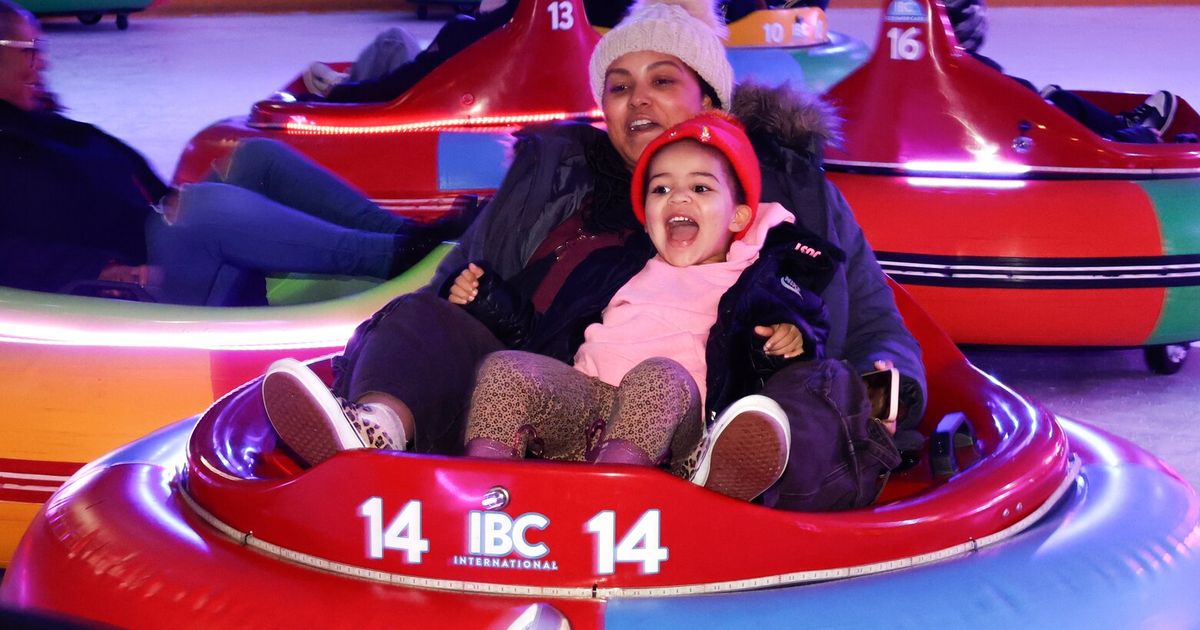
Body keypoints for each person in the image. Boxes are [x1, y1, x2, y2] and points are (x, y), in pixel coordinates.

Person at [262, 0, 924, 512]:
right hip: (553, 404)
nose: (637, 98)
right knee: (415, 321)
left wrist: (884, 382)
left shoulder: (787, 192)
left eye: (662, 79)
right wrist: (471, 303)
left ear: (712, 100)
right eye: (618, 86)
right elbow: (459, 304)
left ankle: (727, 498)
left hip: (720, 412)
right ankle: (378, 437)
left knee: (815, 392)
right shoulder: (558, 172)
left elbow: (872, 325)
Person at [449, 113, 855, 501]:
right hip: (583, 409)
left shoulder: (758, 279)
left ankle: (614, 502)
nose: (678, 196)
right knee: (505, 368)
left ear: (739, 217)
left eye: (700, 188)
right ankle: (488, 500)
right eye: (661, 189)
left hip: (677, 432)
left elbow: (799, 351)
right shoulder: (615, 269)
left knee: (656, 376)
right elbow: (547, 334)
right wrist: (490, 301)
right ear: (646, 219)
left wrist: (790, 340)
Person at [0, 0, 460, 305]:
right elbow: (11, 256)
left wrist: (168, 197)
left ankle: (406, 234)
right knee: (199, 210)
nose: (43, 62)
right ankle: (393, 258)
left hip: (150, 236)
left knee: (255, 157)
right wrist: (109, 269)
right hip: (123, 286)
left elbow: (119, 175)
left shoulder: (42, 122)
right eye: (30, 50)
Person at [946, 0, 1177, 143]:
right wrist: (1131, 141)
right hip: (1011, 141)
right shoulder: (971, 76)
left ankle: (1118, 128)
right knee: (1040, 103)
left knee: (1056, 100)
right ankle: (1119, 138)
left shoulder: (965, 72)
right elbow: (1035, 143)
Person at [302, 0, 519, 102]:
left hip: (427, 102)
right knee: (399, 40)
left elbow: (399, 85)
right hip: (466, 90)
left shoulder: (465, 31)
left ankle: (342, 83)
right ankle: (346, 80)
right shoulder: (523, 19)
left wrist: (341, 94)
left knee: (394, 40)